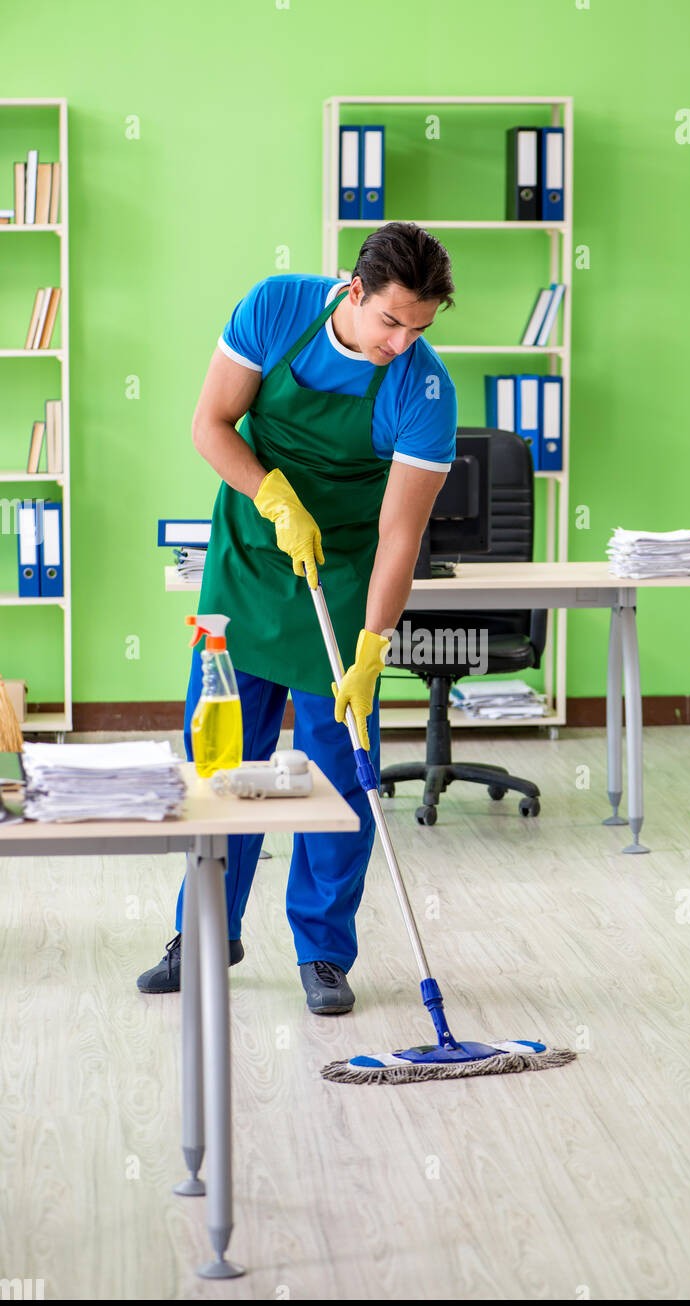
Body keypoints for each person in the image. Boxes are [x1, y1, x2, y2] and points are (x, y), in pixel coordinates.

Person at [137, 222, 457, 1012]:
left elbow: (400, 533)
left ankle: (322, 951)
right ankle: (206, 931)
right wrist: (272, 495)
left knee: (339, 769)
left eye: (418, 327)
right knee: (219, 758)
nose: (399, 342)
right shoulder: (278, 308)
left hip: (346, 574)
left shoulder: (424, 392)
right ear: (354, 292)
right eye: (389, 321)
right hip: (250, 553)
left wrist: (373, 646)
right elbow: (210, 426)